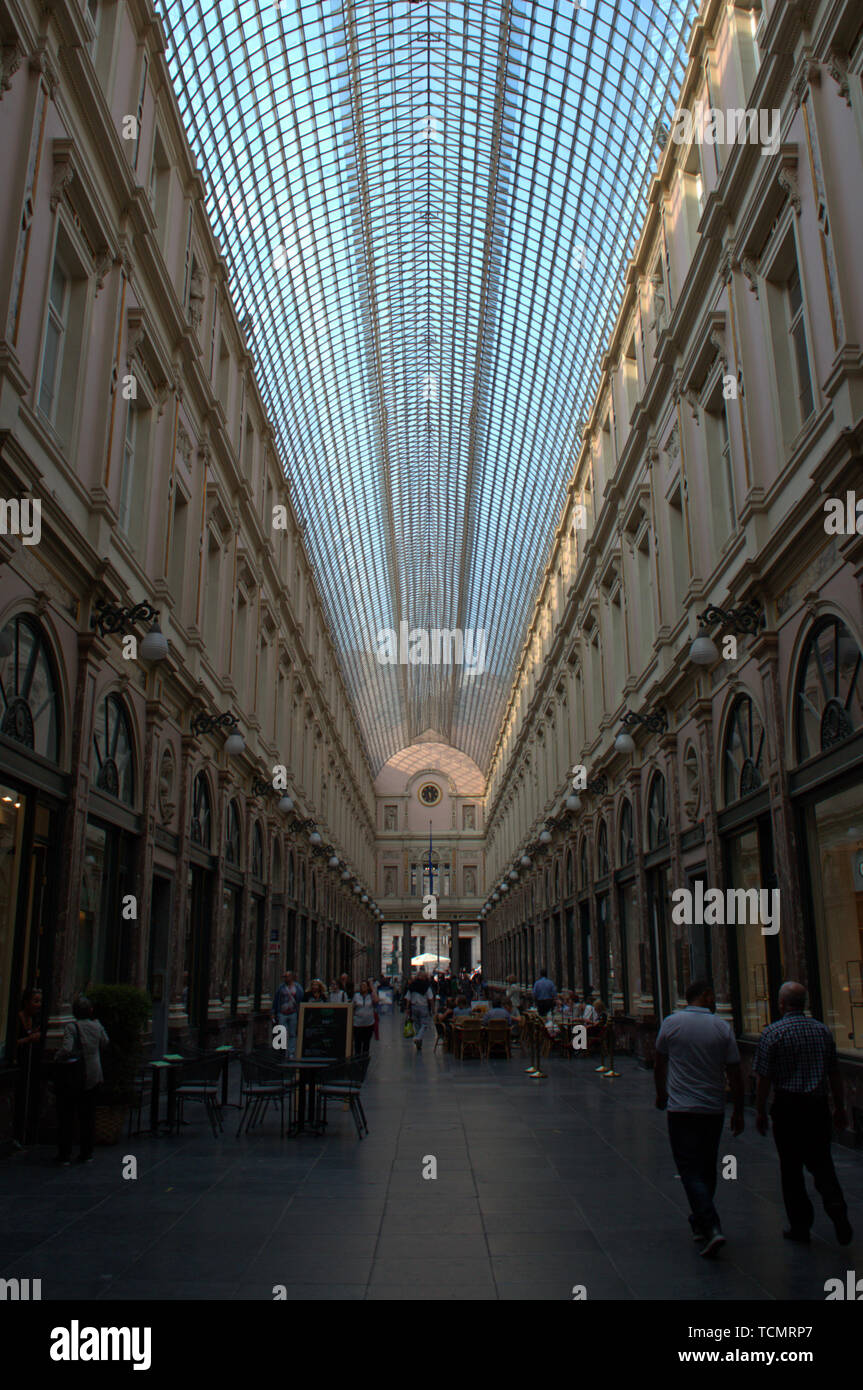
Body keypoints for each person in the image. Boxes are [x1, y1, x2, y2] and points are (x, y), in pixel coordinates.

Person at [754, 981, 853, 1246]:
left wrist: (760, 1110)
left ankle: (800, 1225)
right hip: (816, 1107)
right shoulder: (822, 1031)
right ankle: (837, 1210)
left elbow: (763, 1077)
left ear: (782, 1004)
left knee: (791, 1168)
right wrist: (840, 1107)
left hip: (787, 1109)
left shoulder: (773, 1033)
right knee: (822, 1163)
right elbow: (834, 1073)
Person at [654, 979, 744, 1257]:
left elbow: (659, 1062)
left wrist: (661, 1094)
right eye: (713, 995)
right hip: (712, 1109)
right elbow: (735, 1073)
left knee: (689, 1169)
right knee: (706, 1167)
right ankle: (699, 1222)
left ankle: (712, 1225)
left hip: (681, 1108)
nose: (715, 999)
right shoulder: (721, 1026)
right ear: (705, 996)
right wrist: (739, 1110)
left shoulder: (671, 1023)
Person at [54, 996, 109, 1165]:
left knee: (68, 1116)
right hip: (93, 1075)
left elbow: (66, 1049)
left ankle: (65, 1154)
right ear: (90, 1010)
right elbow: (105, 1043)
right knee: (88, 1116)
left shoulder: (72, 1027)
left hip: (75, 1077)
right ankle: (86, 1153)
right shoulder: (97, 1026)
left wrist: (57, 1057)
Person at [15, 988, 42, 1146]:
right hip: (20, 1064)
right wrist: (29, 1039)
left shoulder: (36, 1019)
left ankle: (26, 1134)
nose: (38, 1005)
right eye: (35, 1001)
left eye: (39, 1001)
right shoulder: (17, 1019)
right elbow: (14, 1043)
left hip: (30, 1066)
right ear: (26, 1002)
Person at [272, 971, 303, 1059]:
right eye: (284, 977)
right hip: (282, 1013)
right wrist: (273, 1012)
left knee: (292, 1033)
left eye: (287, 977)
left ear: (292, 977)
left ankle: (291, 1052)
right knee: (282, 1032)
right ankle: (283, 1051)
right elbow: (276, 999)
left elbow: (301, 998)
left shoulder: (297, 987)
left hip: (293, 1013)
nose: (285, 979)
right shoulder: (281, 987)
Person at [405, 972, 434, 1051]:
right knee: (424, 1024)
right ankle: (418, 1038)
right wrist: (433, 1008)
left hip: (414, 1007)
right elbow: (430, 998)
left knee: (417, 1024)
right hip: (423, 1007)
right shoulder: (426, 986)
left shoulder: (412, 986)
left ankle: (419, 1042)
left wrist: (407, 1008)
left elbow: (408, 998)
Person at [351, 979, 378, 1055]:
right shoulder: (356, 996)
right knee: (357, 1044)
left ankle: (364, 1060)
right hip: (358, 1024)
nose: (363, 987)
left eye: (365, 986)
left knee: (366, 1044)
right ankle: (357, 1059)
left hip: (368, 1024)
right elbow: (352, 1007)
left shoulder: (370, 996)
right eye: (362, 986)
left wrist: (373, 989)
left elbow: (376, 1000)